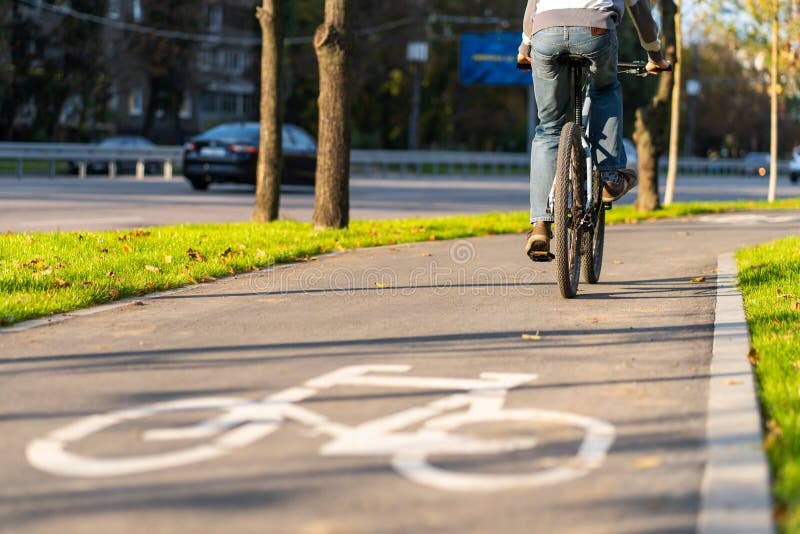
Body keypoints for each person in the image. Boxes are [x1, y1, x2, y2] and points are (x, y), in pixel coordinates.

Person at [517, 0, 672, 261]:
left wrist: (525, 48)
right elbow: (641, 12)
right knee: (605, 89)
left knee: (549, 127)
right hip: (595, 32)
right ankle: (609, 177)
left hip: (545, 32)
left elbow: (533, 6)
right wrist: (655, 56)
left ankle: (541, 226)